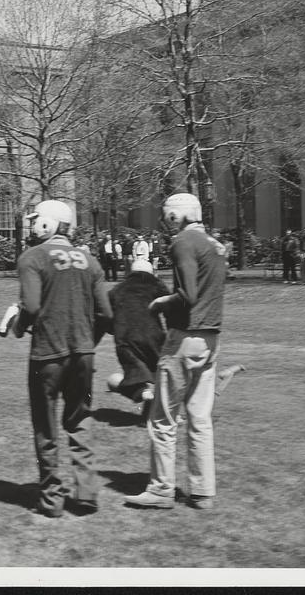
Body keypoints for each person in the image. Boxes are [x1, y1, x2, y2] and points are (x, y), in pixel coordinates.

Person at [124, 192, 226, 511]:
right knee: (199, 418)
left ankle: (161, 489)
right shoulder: (215, 245)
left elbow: (188, 294)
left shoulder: (183, 242)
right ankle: (202, 491)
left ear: (174, 216)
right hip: (211, 338)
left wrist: (161, 302)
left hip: (184, 337)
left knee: (163, 418)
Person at [11, 200, 113, 518]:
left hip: (47, 354)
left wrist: (19, 328)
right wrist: (86, 344)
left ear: (47, 224)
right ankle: (85, 494)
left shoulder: (32, 257)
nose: (31, 226)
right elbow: (107, 315)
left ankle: (52, 499)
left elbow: (29, 306)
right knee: (80, 421)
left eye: (35, 221)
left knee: (46, 426)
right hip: (83, 354)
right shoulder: (91, 262)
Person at [106, 259, 169, 408]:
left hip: (125, 337)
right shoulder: (155, 284)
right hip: (153, 334)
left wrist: (111, 328)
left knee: (133, 369)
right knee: (157, 370)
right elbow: (169, 304)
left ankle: (142, 393)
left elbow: (106, 314)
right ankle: (157, 402)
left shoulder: (118, 289)